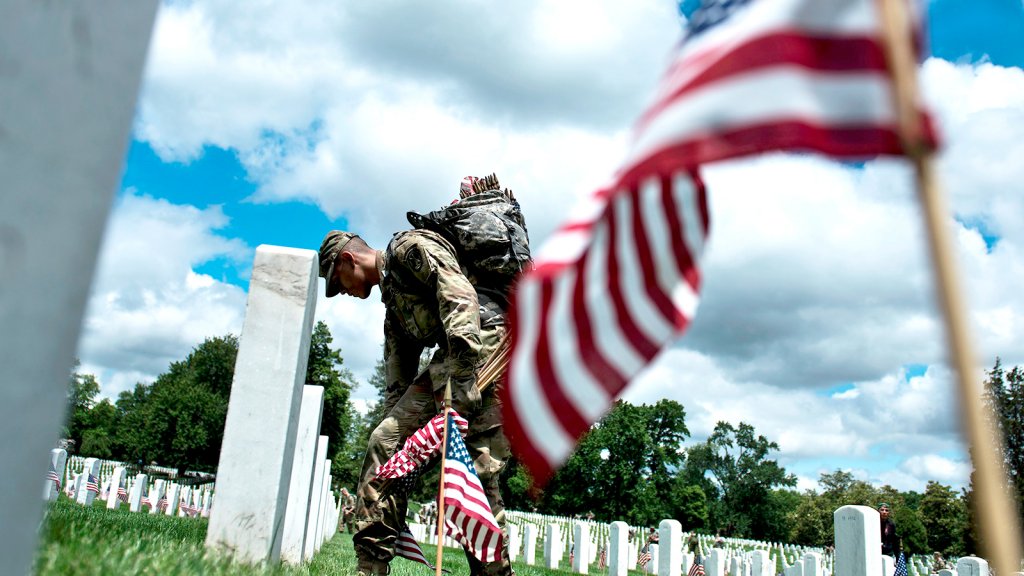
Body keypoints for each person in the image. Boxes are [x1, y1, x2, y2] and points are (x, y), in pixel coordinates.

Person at [319, 196, 513, 576]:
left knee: (474, 470)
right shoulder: (394, 305)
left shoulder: (409, 249)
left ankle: (488, 573)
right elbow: (398, 379)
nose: (340, 291)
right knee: (392, 443)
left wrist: (461, 376)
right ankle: (372, 563)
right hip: (465, 360)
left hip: (485, 346)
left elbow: (459, 295)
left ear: (347, 260)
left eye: (336, 282)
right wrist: (402, 433)